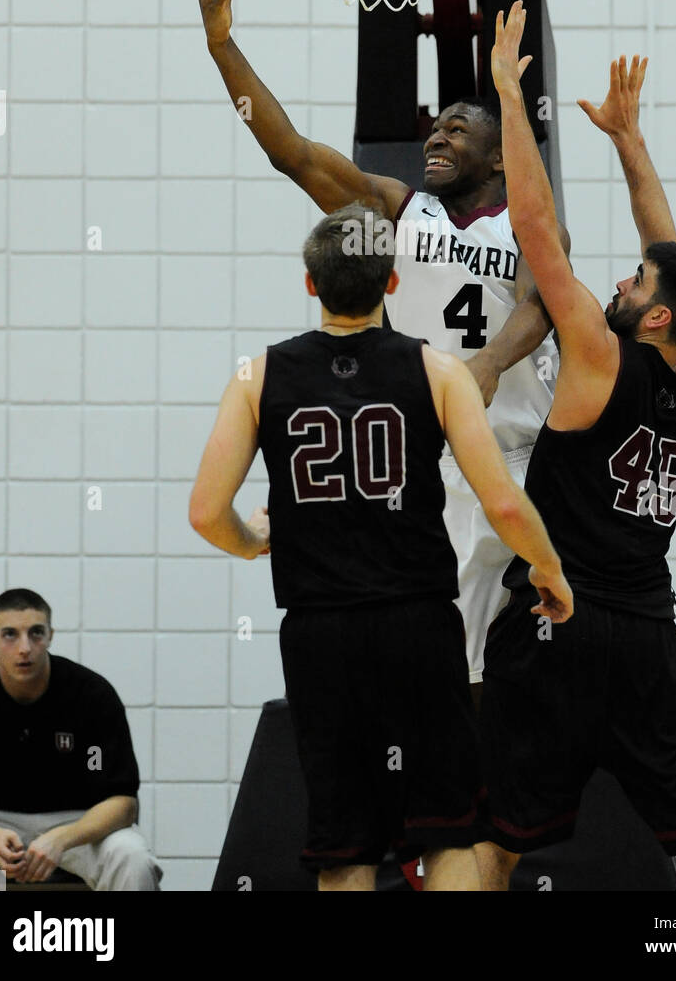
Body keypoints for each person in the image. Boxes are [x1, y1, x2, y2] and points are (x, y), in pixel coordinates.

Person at [182, 0, 676, 879]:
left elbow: (541, 295)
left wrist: (480, 367)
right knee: (470, 661)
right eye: (433, 124)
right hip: (442, 467)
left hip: (526, 457)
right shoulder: (394, 213)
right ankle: (453, 834)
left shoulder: (533, 233)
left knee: (654, 652)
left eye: (459, 125)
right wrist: (222, 46)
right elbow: (288, 149)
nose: (436, 133)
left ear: (498, 151)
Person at [188, 203, 572, 891]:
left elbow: (205, 513)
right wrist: (548, 568)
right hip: (419, 624)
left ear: (310, 285)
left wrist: (253, 544)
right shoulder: (440, 372)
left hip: (319, 632)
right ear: (391, 285)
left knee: (343, 845)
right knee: (449, 832)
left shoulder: (256, 378)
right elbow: (505, 502)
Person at [476, 2, 676, 891]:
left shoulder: (599, 358)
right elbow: (668, 254)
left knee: (490, 839)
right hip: (646, 634)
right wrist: (628, 143)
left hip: (555, 621)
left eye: (634, 282)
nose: (620, 278)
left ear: (657, 313)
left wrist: (509, 101)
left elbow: (532, 228)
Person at [0, 590, 160, 890]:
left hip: (75, 829)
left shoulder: (92, 695)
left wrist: (62, 838)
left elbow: (123, 804)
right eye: (10, 635)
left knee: (131, 856)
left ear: (51, 635)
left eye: (36, 633)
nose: (25, 648)